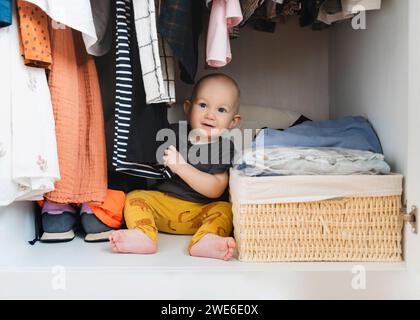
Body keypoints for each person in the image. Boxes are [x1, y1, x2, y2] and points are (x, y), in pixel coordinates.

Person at [109, 73, 241, 261]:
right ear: (188, 107)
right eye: (203, 105)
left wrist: (181, 166)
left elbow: (216, 188)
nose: (210, 115)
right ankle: (144, 234)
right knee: (135, 197)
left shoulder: (225, 147)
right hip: (163, 206)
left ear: (233, 122)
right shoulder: (171, 133)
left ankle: (205, 239)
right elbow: (145, 152)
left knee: (225, 209)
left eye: (221, 110)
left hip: (201, 211)